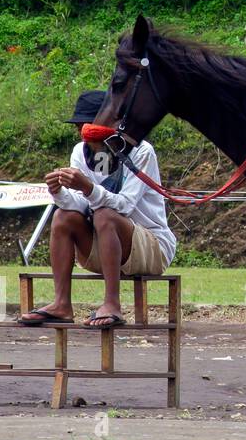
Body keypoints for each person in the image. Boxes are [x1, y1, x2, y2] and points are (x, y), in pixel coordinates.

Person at [18, 90, 176, 329]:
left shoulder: (141, 151)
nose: (81, 133)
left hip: (150, 246)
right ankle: (62, 304)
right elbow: (81, 206)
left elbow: (125, 205)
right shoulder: (80, 152)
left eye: (86, 125)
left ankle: (112, 303)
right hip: (104, 246)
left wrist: (89, 187)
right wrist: (59, 192)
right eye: (79, 127)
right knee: (63, 216)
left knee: (105, 214)